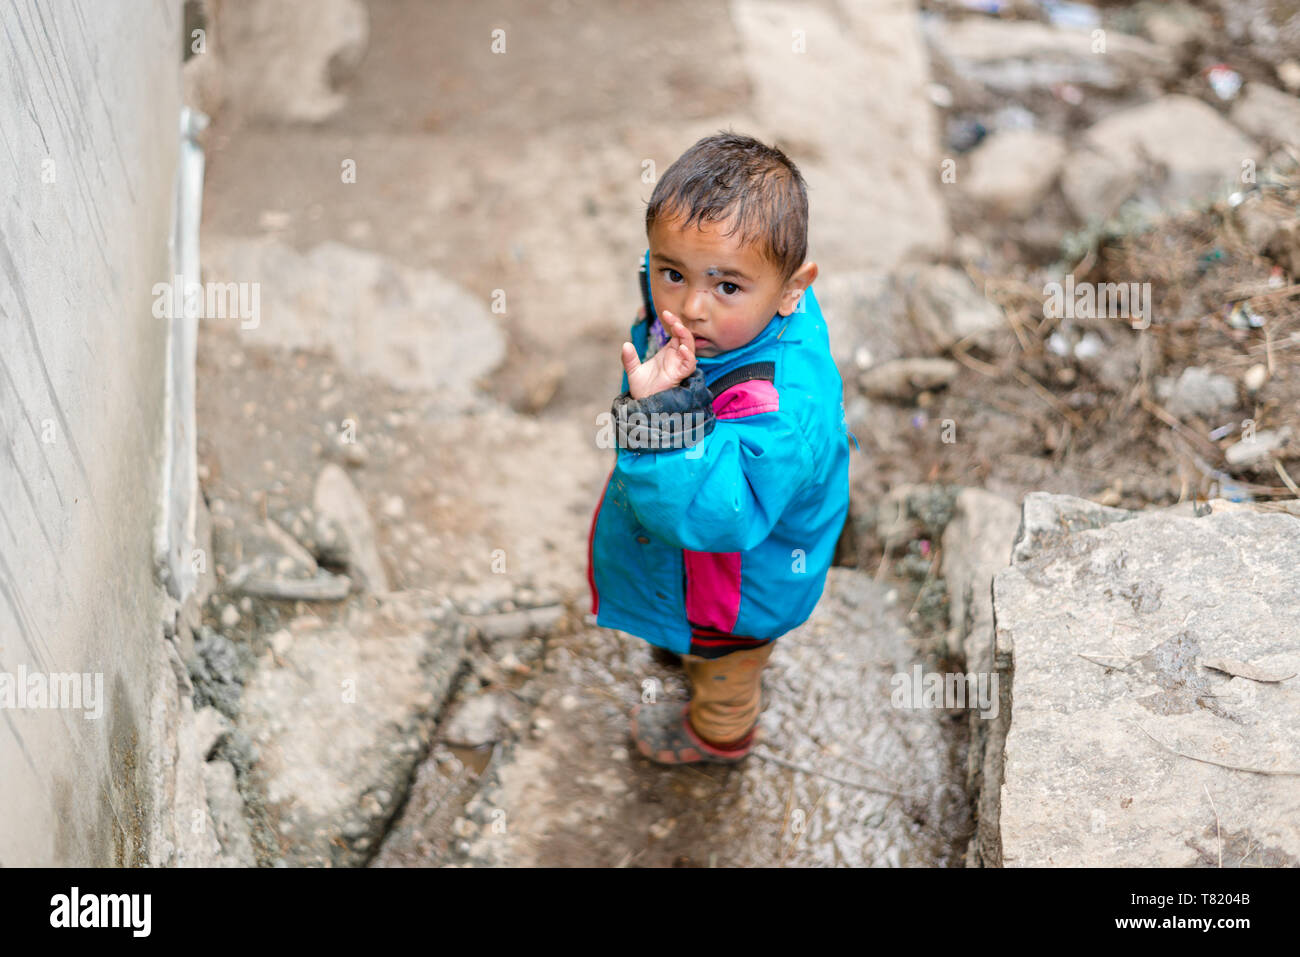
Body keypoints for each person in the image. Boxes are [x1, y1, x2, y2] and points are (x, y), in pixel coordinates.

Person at [586, 131, 851, 764]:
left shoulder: (777, 409)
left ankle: (717, 738)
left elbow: (719, 513)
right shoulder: (719, 324)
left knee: (725, 679)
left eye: (726, 286)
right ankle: (680, 645)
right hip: (691, 561)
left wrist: (660, 421)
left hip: (733, 595)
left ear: (793, 287)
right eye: (671, 272)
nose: (692, 307)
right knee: (694, 644)